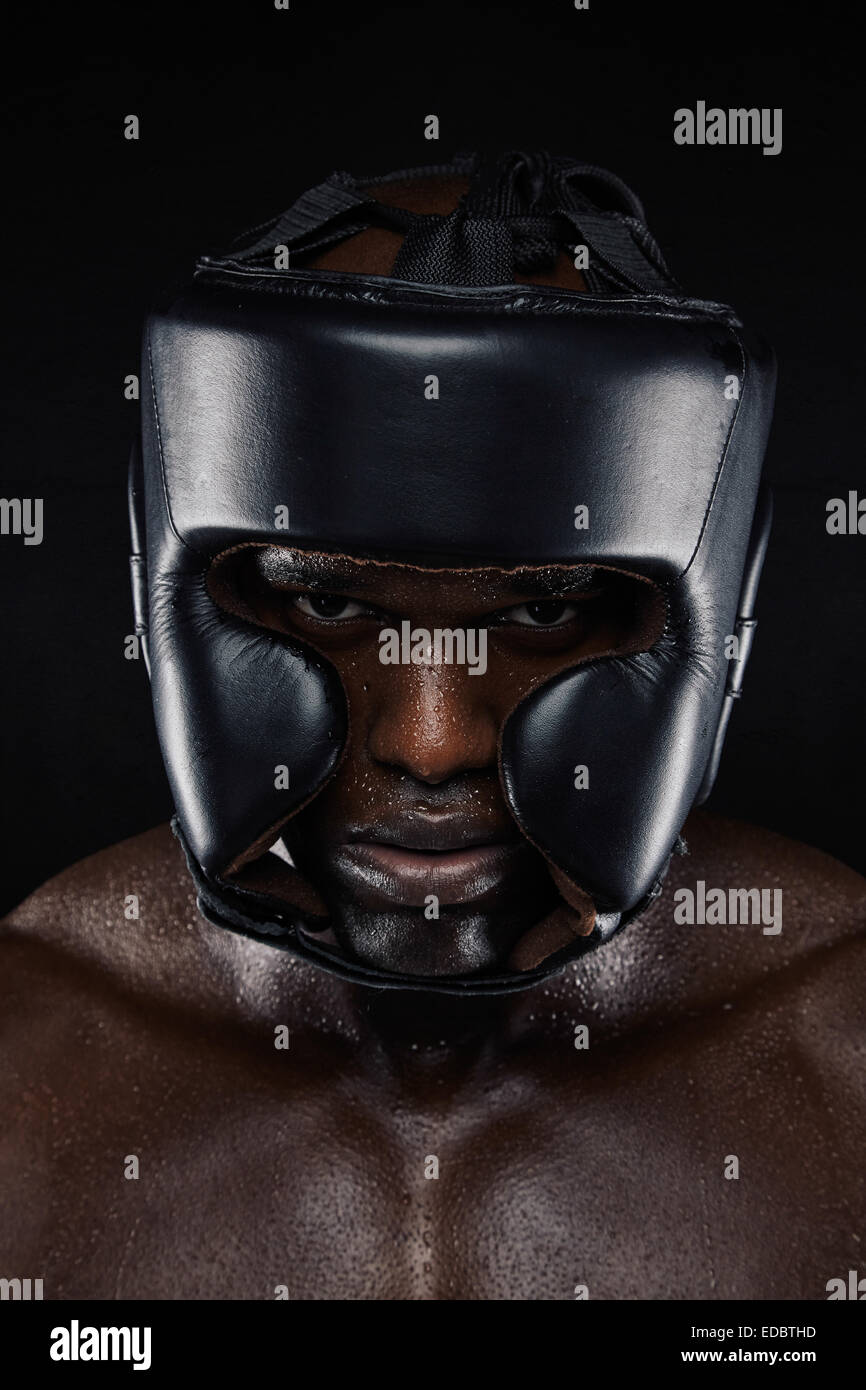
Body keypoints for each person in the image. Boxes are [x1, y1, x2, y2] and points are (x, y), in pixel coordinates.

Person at [1, 155, 863, 1301]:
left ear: (716, 614)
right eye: (328, 602)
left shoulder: (841, 1051)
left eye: (544, 613)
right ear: (167, 593)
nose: (431, 741)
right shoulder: (27, 1053)